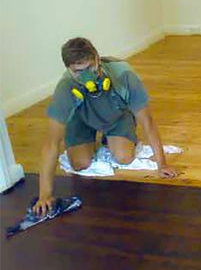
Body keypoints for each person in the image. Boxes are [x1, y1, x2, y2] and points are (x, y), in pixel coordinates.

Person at [34, 37, 178, 215]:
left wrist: (162, 164)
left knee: (124, 157)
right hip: (82, 118)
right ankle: (88, 138)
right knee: (80, 163)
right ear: (69, 70)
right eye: (78, 71)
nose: (86, 76)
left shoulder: (124, 75)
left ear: (97, 59)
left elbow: (147, 122)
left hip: (116, 115)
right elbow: (51, 142)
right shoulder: (66, 88)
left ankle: (116, 132)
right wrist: (44, 195)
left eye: (90, 68)